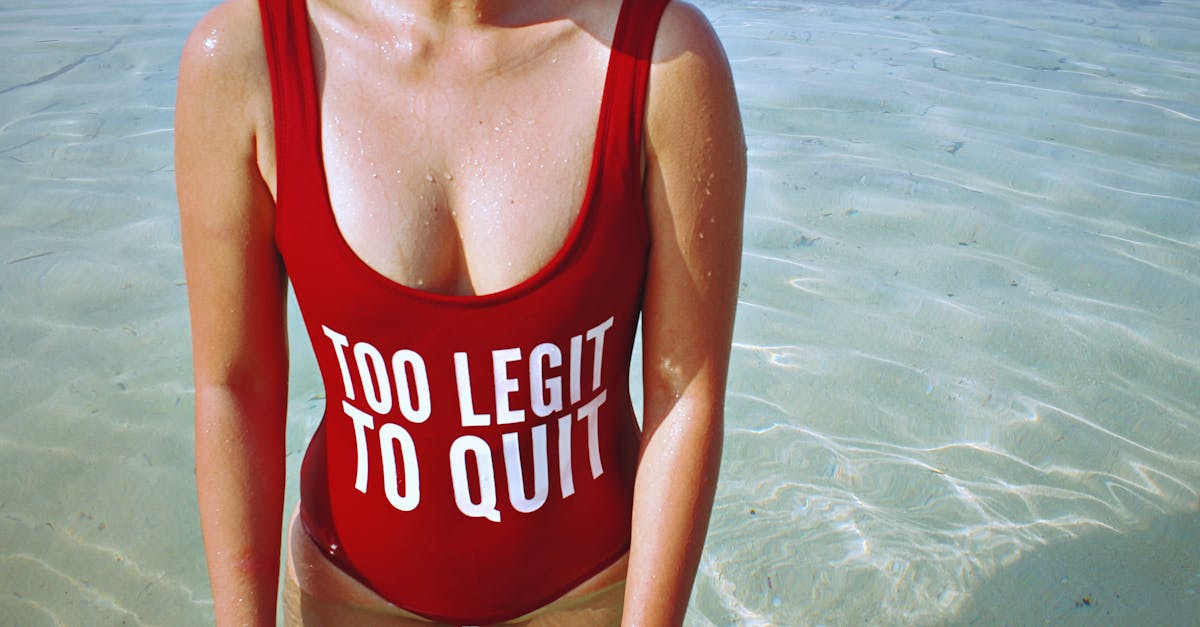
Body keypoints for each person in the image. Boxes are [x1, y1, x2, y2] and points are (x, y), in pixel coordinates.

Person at [175, 0, 744, 623]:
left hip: (591, 598)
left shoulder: (663, 57)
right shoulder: (250, 55)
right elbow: (236, 387)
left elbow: (683, 392)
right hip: (347, 596)